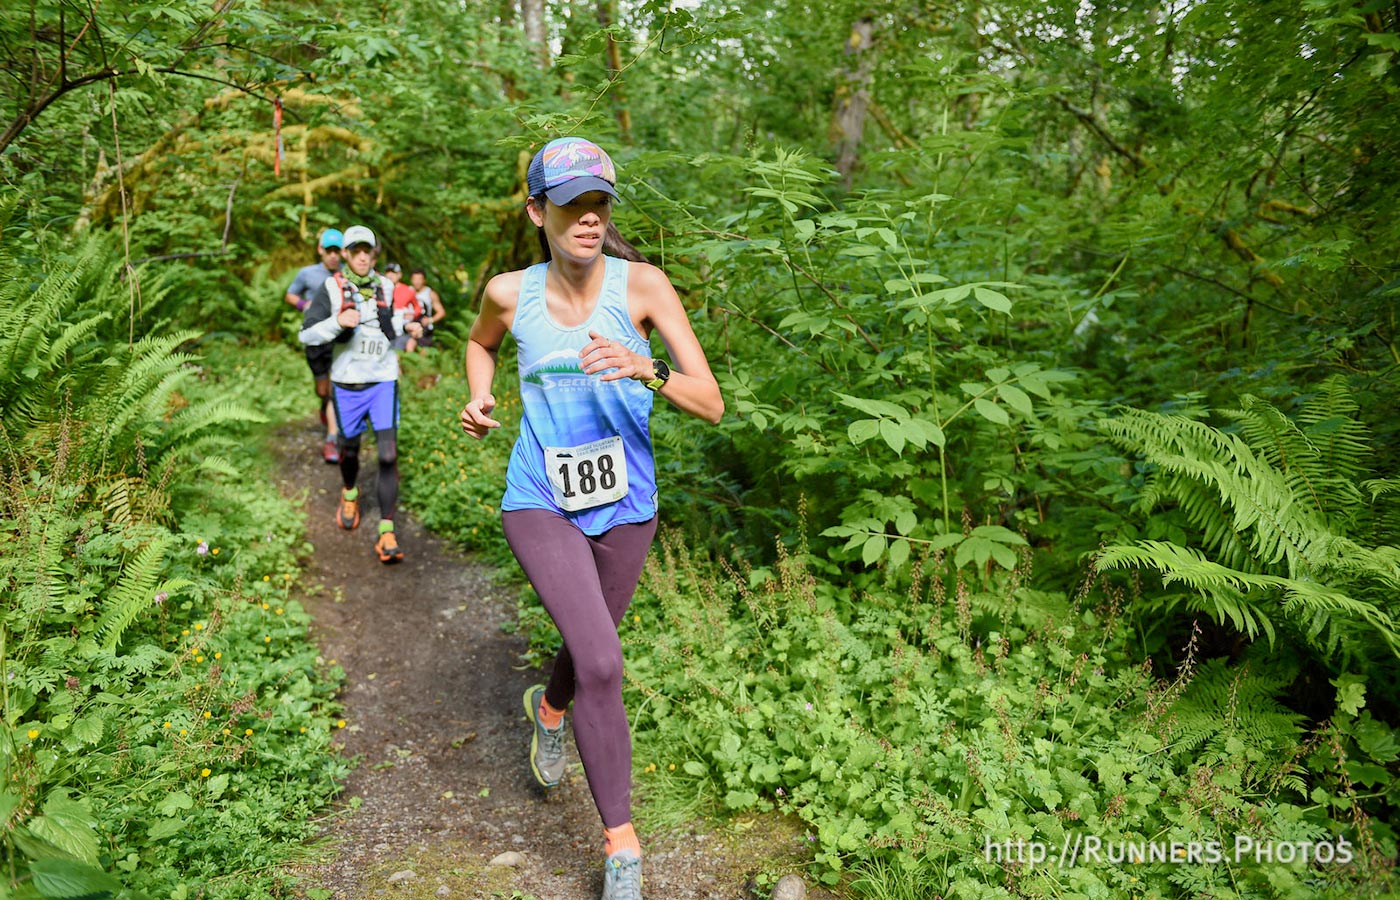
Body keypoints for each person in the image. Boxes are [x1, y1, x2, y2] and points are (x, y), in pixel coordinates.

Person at [459, 137, 723, 900]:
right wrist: (480, 397)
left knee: (590, 645)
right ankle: (622, 848)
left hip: (626, 506)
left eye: (600, 202)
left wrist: (650, 367)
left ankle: (547, 709)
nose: (589, 217)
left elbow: (710, 403)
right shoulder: (510, 293)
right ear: (538, 211)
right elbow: (480, 346)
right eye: (572, 203)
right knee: (603, 662)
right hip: (540, 498)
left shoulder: (643, 286)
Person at [300, 225, 423, 563]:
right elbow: (307, 335)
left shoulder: (387, 286)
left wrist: (409, 326)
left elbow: (388, 326)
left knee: (387, 455)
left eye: (368, 250)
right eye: (356, 251)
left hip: (383, 381)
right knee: (349, 451)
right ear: (346, 255)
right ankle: (350, 491)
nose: (363, 256)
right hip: (346, 385)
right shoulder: (332, 288)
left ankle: (386, 531)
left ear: (375, 253)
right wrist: (339, 322)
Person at [285, 228, 344, 463]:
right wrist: (304, 305)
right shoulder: (307, 273)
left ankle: (332, 438)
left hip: (339, 340)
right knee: (323, 389)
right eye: (328, 251)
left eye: (336, 251)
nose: (332, 255)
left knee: (334, 389)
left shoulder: (347, 275)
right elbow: (290, 294)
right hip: (315, 340)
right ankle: (324, 407)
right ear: (320, 250)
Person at [385, 263, 424, 353]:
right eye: (388, 272)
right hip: (385, 327)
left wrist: (413, 315)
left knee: (397, 352)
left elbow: (418, 307)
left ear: (399, 275)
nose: (390, 275)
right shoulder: (382, 288)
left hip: (402, 328)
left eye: (393, 272)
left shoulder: (408, 290)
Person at [409, 268, 446, 348]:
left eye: (420, 279)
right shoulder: (407, 291)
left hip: (425, 330)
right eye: (415, 279)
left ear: (424, 280)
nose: (417, 282)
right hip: (410, 327)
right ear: (411, 280)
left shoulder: (430, 294)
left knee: (423, 353)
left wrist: (430, 320)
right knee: (409, 347)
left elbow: (441, 312)